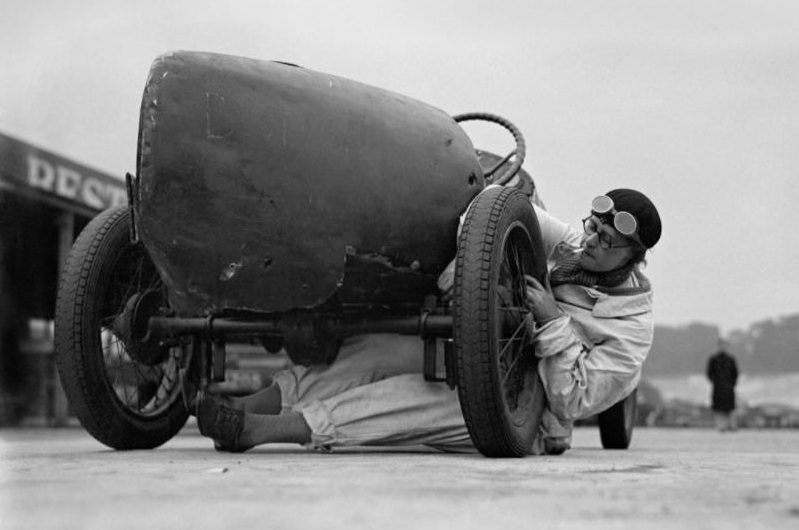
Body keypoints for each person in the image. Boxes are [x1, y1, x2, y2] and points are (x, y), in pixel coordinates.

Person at [196, 187, 662, 455]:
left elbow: (572, 399)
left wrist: (551, 321)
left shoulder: (632, 330)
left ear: (635, 257)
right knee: (374, 349)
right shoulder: (571, 247)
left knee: (408, 402)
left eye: (607, 241)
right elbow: (492, 205)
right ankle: (250, 406)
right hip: (483, 355)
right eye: (593, 228)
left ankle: (263, 433)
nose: (592, 242)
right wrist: (475, 261)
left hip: (529, 414)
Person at [706, 339, 739, 432]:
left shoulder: (731, 359)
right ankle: (721, 426)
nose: (723, 347)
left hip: (728, 387)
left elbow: (735, 373)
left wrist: (732, 383)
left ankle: (732, 426)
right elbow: (709, 373)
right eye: (721, 345)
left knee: (730, 408)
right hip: (718, 387)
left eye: (725, 345)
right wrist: (714, 381)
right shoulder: (713, 359)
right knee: (718, 409)